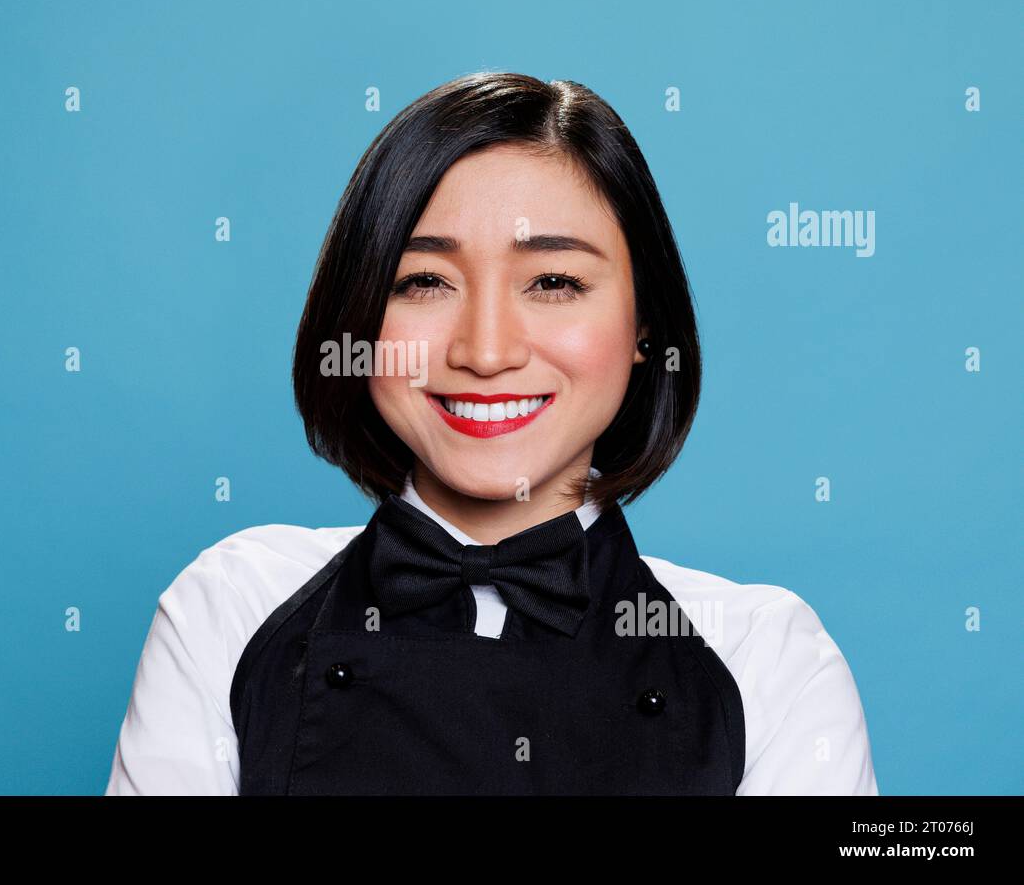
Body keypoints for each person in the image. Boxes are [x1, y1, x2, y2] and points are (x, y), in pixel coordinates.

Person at [105, 72, 878, 795]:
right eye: (424, 282)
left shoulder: (767, 658)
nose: (485, 351)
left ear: (645, 324)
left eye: (553, 282)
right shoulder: (231, 607)